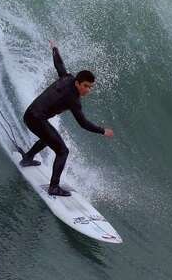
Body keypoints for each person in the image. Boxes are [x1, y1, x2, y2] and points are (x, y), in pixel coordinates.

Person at [19, 40, 114, 197]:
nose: (88, 90)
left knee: (49, 137)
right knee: (63, 151)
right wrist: (103, 131)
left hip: (30, 114)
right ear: (78, 83)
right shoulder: (73, 100)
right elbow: (83, 124)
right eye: (86, 86)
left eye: (90, 87)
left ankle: (28, 157)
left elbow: (59, 65)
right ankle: (54, 187)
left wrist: (55, 49)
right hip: (36, 119)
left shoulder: (67, 77)